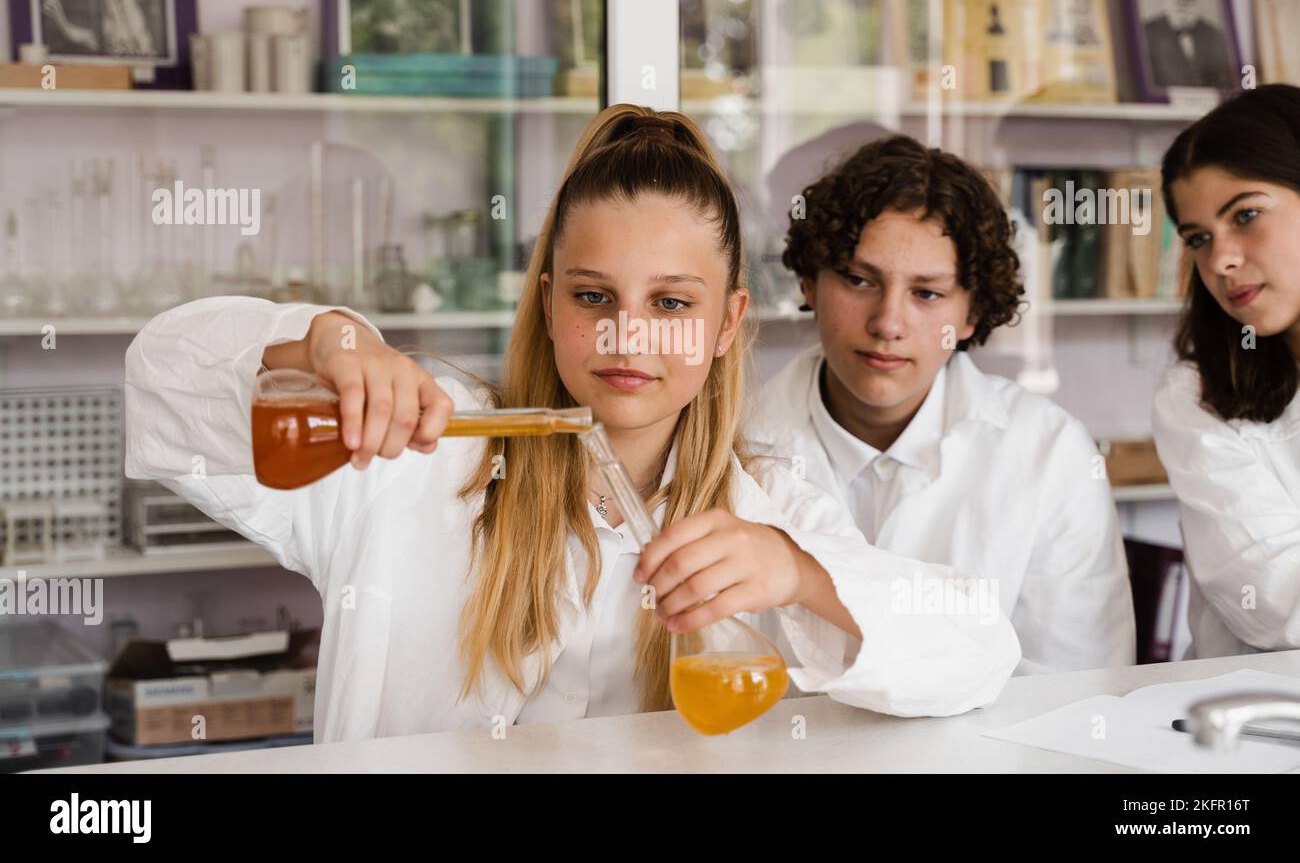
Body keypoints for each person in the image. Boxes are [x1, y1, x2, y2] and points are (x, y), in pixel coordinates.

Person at [125, 105, 1022, 743]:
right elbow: (158, 379)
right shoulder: (416, 448)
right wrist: (320, 341)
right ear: (550, 303)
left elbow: (978, 650)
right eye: (595, 296)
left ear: (725, 324)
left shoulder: (764, 511)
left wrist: (800, 574)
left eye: (671, 302)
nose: (628, 334)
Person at [748, 134, 1136, 675]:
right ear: (810, 282)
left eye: (926, 294)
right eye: (859, 280)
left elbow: (1078, 687)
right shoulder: (731, 441)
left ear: (974, 313)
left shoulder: (1050, 453)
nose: (887, 323)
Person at [1152, 84, 1300, 659]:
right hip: (1261, 729)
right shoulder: (1196, 397)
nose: (1221, 261)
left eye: (1246, 216)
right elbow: (1272, 600)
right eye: (1198, 239)